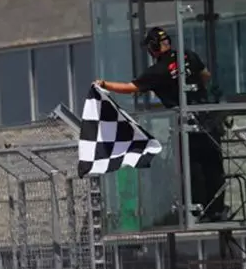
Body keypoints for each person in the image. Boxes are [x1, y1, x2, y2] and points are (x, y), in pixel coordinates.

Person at [95, 27, 227, 222]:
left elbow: (132, 88)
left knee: (193, 168)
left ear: (153, 47)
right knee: (214, 165)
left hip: (187, 124)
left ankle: (199, 211)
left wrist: (104, 84)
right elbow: (205, 75)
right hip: (208, 118)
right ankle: (217, 210)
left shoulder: (159, 70)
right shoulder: (187, 55)